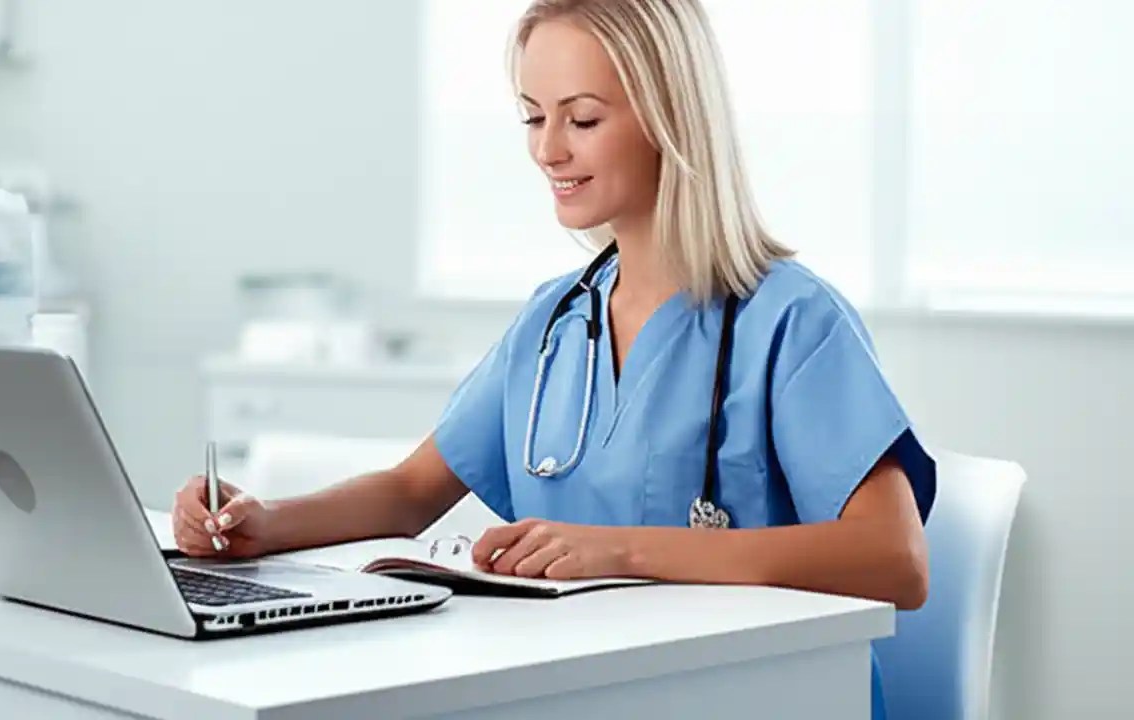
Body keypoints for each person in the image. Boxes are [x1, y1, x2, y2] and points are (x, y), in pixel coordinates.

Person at [173, 1, 934, 716]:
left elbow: (895, 560)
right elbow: (410, 492)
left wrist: (620, 551)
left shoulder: (791, 320)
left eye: (583, 118)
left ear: (671, 116)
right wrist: (263, 524)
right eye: (534, 117)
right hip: (584, 690)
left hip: (757, 693)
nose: (548, 149)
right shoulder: (555, 320)